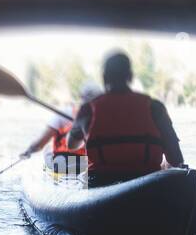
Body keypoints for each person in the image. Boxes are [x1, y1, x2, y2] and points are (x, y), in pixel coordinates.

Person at [66, 51, 184, 185]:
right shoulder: (155, 107)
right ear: (130, 76)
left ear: (104, 77)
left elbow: (71, 145)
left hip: (101, 185)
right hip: (148, 185)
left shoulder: (87, 109)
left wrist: (85, 133)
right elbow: (176, 159)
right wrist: (164, 167)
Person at [20, 84, 101, 174]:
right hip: (84, 166)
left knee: (48, 147)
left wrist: (29, 151)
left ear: (80, 96)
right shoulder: (101, 118)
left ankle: (53, 175)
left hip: (61, 163)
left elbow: (40, 143)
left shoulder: (66, 112)